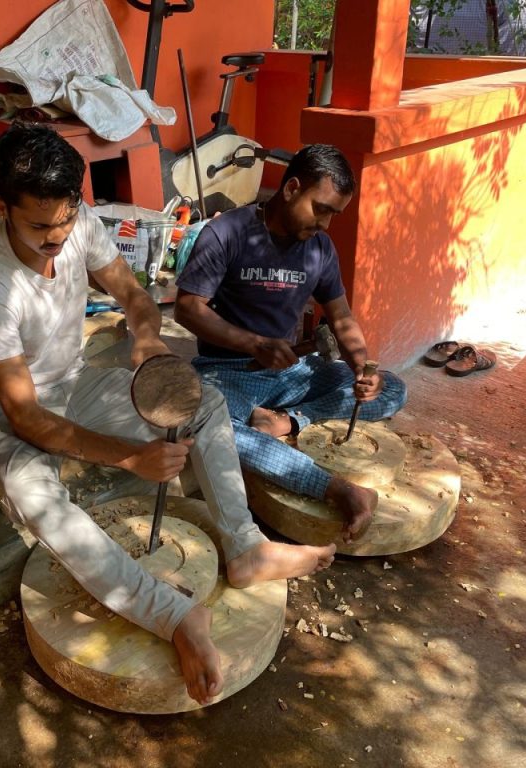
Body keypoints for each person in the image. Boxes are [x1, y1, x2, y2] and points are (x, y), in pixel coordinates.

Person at [0, 125, 335, 706]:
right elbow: (28, 417)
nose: (58, 237)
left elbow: (134, 295)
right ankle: (173, 616)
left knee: (204, 402)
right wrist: (131, 456)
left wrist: (145, 339)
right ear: (0, 206)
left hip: (76, 384)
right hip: (13, 411)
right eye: (39, 226)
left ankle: (245, 546)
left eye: (65, 220)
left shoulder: (78, 224)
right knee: (36, 499)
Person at [174, 144, 407, 543]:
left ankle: (291, 420)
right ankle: (335, 487)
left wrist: (362, 367)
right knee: (203, 424)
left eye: (335, 213)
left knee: (395, 388)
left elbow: (341, 317)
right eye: (321, 208)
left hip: (292, 373)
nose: (327, 224)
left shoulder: (319, 248)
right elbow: (187, 309)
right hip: (230, 372)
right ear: (291, 188)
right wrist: (254, 344)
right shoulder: (226, 232)